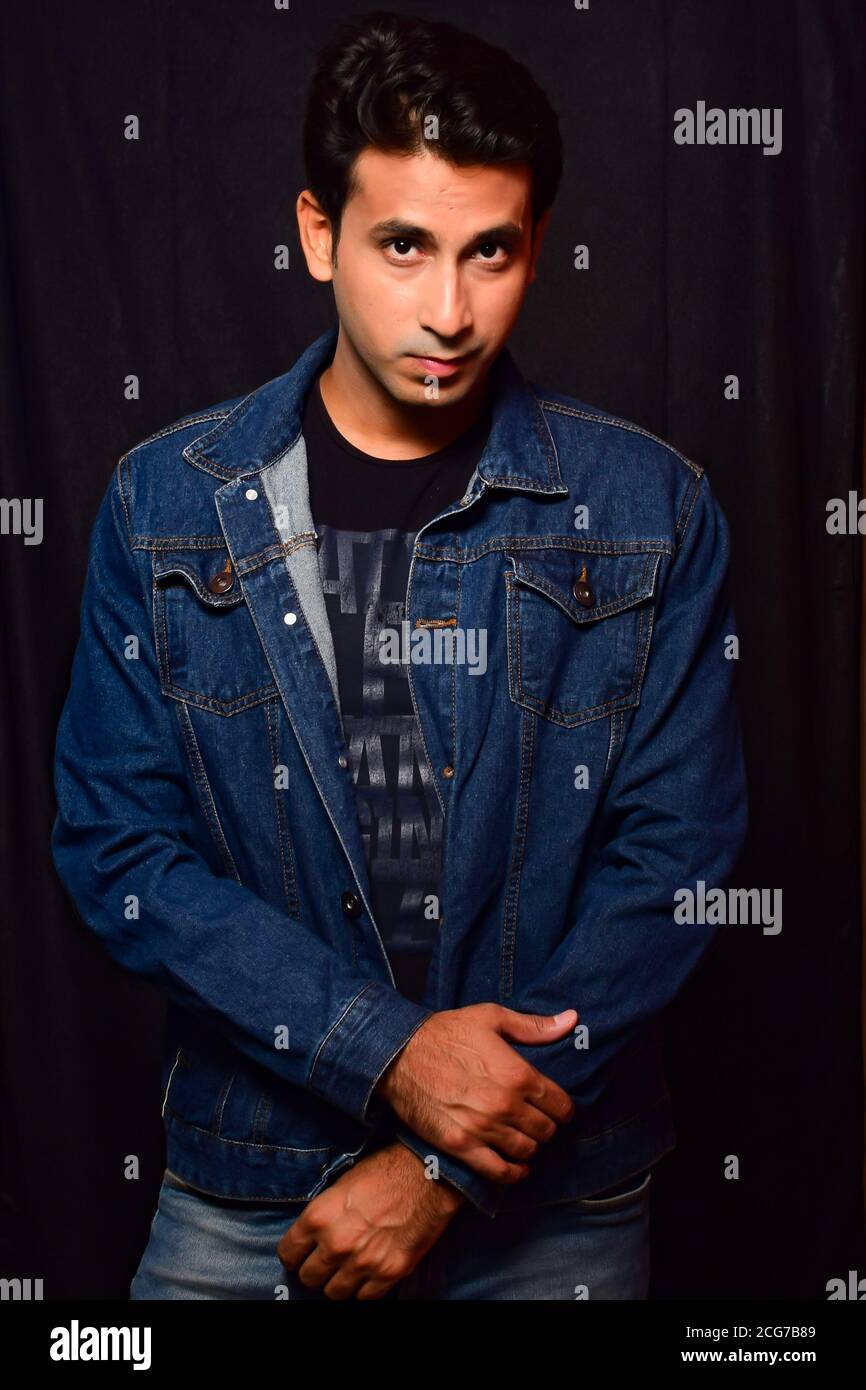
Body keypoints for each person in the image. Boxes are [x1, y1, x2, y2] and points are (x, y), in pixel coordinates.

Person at [50, 9, 747, 1301]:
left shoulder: (650, 505)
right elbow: (117, 843)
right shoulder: (170, 500)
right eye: (403, 246)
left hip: (552, 1211)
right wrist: (382, 1052)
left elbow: (675, 863)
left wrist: (443, 1168)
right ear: (318, 234)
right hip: (251, 1190)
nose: (446, 309)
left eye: (490, 253)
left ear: (537, 245)